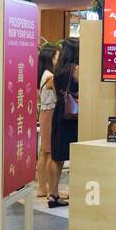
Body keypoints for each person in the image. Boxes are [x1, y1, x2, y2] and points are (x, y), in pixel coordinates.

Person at [48, 39, 80, 208]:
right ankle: (77, 191)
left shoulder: (58, 71)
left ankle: (53, 194)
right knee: (76, 153)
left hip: (59, 111)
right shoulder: (76, 69)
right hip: (73, 114)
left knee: (57, 156)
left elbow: (54, 91)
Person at [36, 43, 58, 199]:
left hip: (45, 113)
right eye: (57, 56)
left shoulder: (43, 74)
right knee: (49, 152)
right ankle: (50, 189)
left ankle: (43, 187)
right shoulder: (50, 77)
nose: (59, 59)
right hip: (50, 114)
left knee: (44, 152)